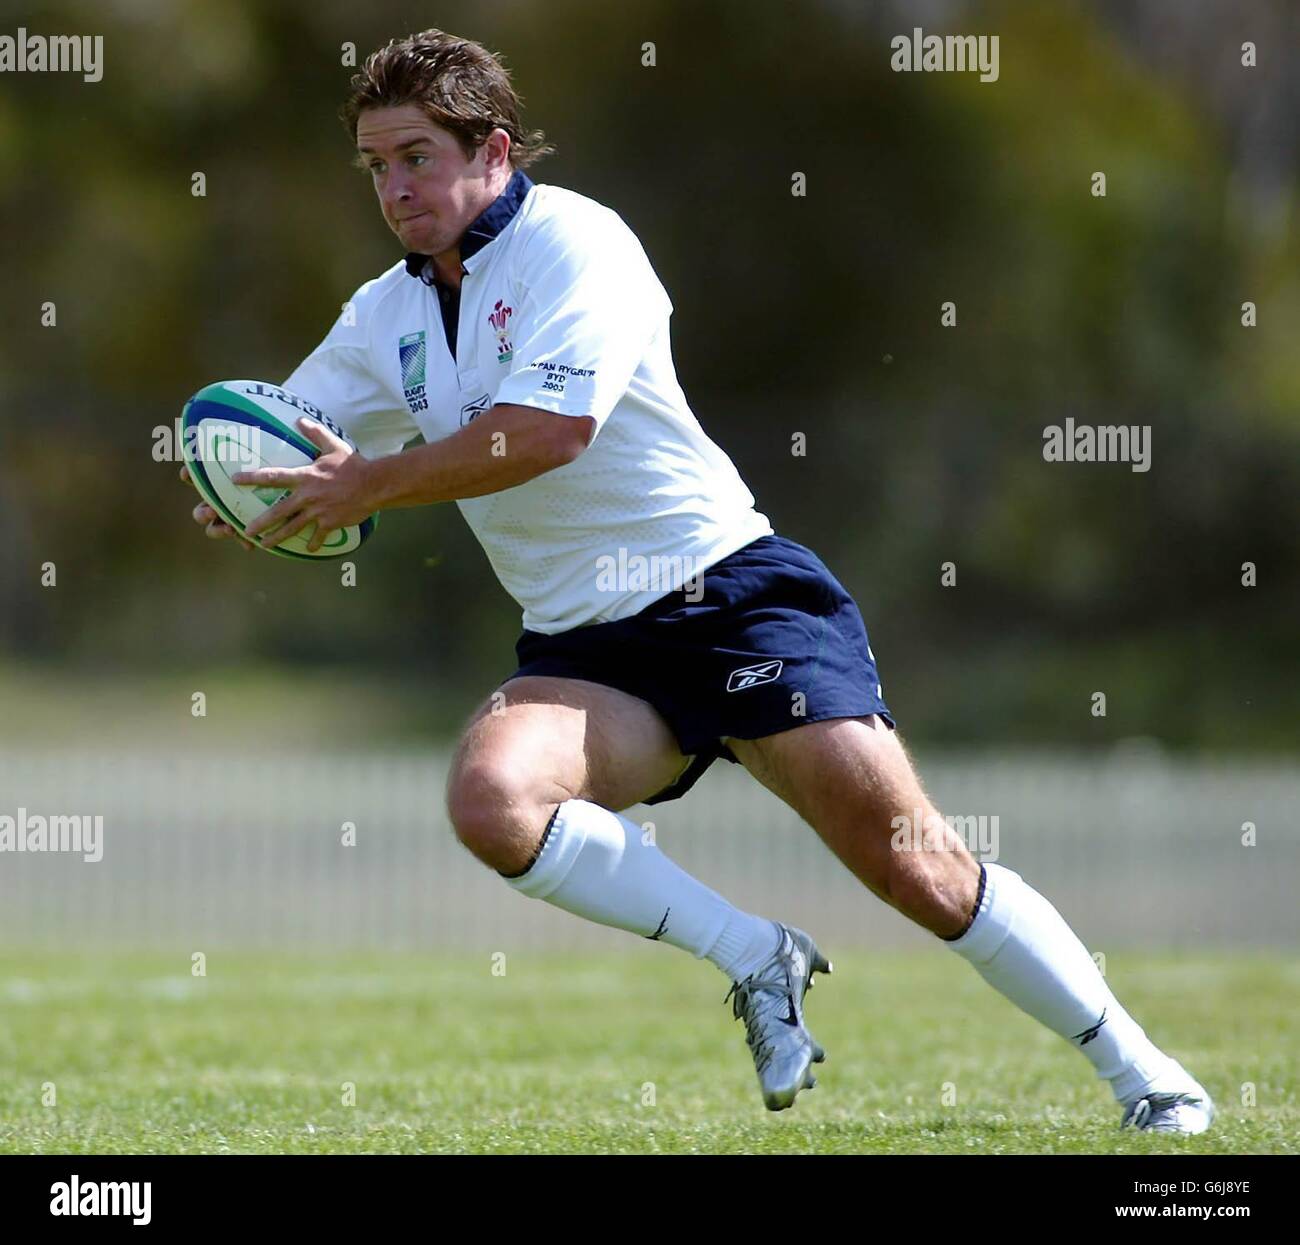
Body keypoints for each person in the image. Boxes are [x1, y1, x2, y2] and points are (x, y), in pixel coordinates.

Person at [184, 28, 1211, 1130]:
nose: (394, 188)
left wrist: (369, 486)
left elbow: (550, 432)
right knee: (492, 800)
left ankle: (1146, 1074)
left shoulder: (580, 244)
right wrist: (249, 493)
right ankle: (756, 956)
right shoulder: (382, 317)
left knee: (917, 867)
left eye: (417, 157)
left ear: (492, 149)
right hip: (589, 652)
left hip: (731, 599)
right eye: (376, 166)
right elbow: (296, 444)